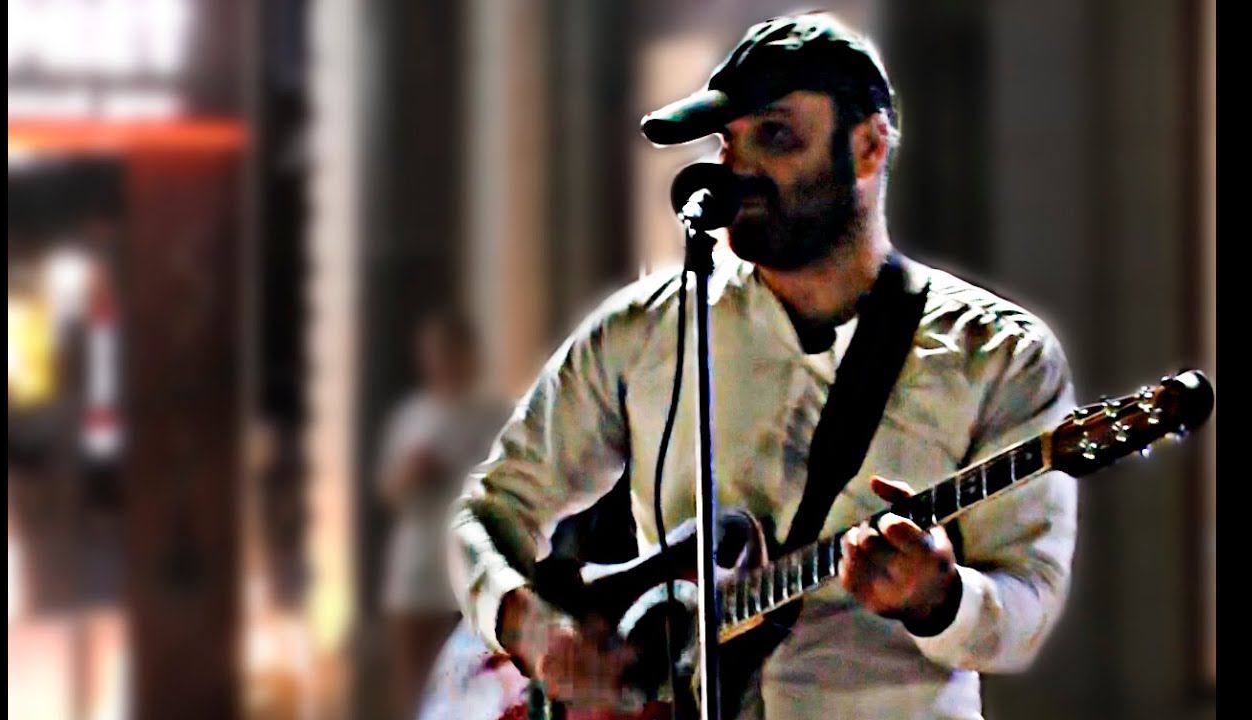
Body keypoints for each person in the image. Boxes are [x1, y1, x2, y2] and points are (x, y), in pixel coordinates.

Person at [448, 11, 1078, 719]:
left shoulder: (996, 355)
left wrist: (942, 599)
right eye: (728, 143)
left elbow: (1028, 602)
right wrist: (523, 621)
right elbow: (490, 509)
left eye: (776, 137)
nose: (738, 171)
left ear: (869, 147)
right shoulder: (645, 330)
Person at [376, 311, 512, 720]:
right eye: (435, 353)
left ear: (470, 355)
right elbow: (388, 491)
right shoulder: (411, 417)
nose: (443, 361)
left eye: (451, 351)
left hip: (472, 575)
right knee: (414, 691)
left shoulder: (497, 415)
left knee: (475, 690)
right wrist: (409, 475)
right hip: (415, 577)